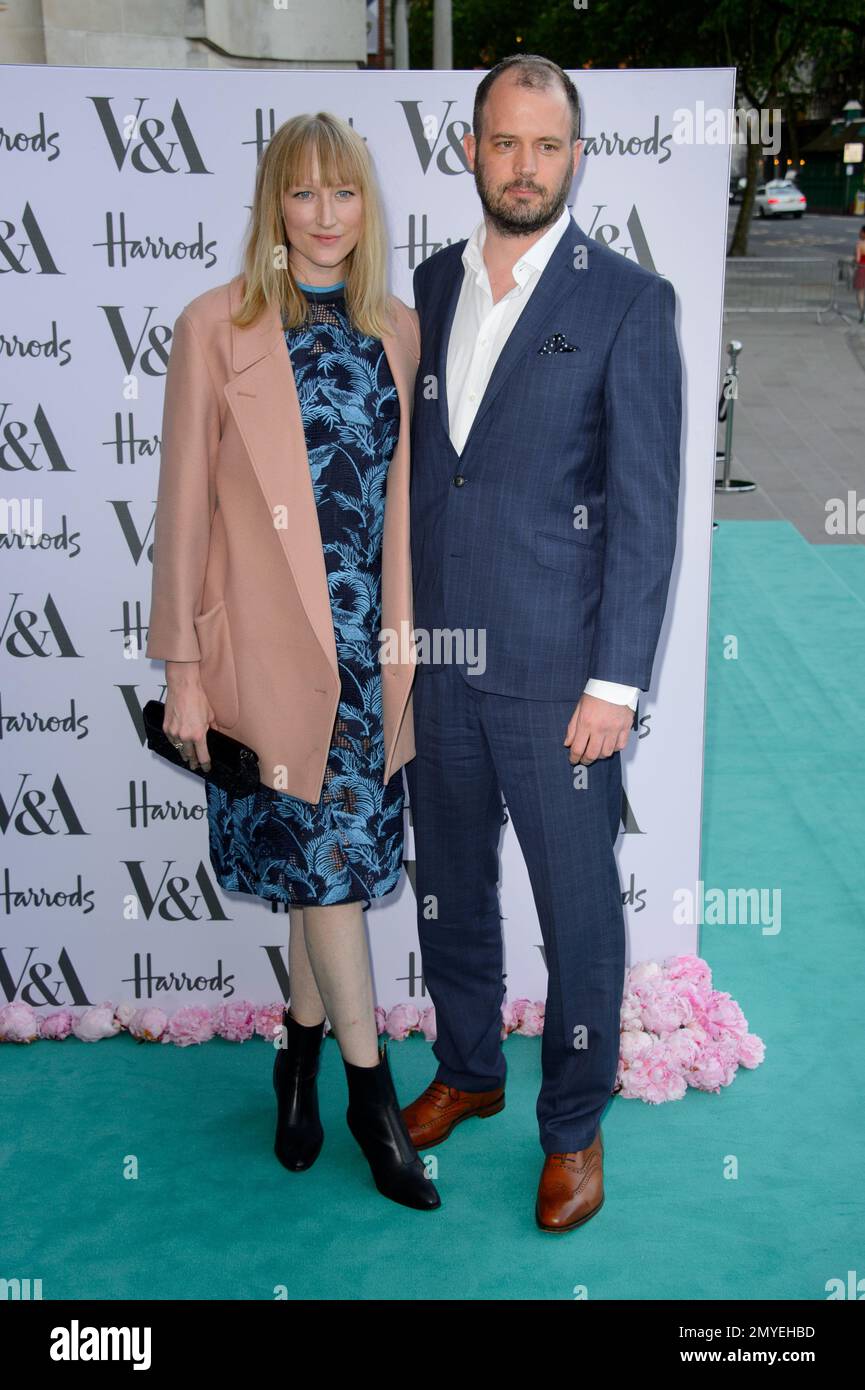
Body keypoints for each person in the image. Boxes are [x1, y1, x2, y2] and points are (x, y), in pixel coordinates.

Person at [401, 55, 682, 1232]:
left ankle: (573, 1127)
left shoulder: (623, 298)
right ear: (469, 149)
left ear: (576, 157)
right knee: (450, 892)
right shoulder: (422, 282)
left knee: (577, 913)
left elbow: (647, 507)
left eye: (545, 146)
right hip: (436, 665)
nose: (522, 165)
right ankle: (469, 1067)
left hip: (559, 677)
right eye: (502, 142)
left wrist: (614, 682)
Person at [145, 112, 439, 1213]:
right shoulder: (213, 328)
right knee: (326, 872)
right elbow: (179, 511)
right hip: (263, 662)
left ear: (368, 207)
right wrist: (181, 663)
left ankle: (297, 1055)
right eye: (303, 194)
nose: (324, 218)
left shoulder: (396, 332)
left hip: (368, 665)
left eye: (344, 194)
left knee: (335, 880)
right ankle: (371, 1094)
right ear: (274, 206)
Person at [854, 223, 865, 323]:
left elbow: (857, 259)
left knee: (860, 292)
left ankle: (862, 312)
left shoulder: (860, 244)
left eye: (861, 231)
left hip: (862, 269)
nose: (859, 233)